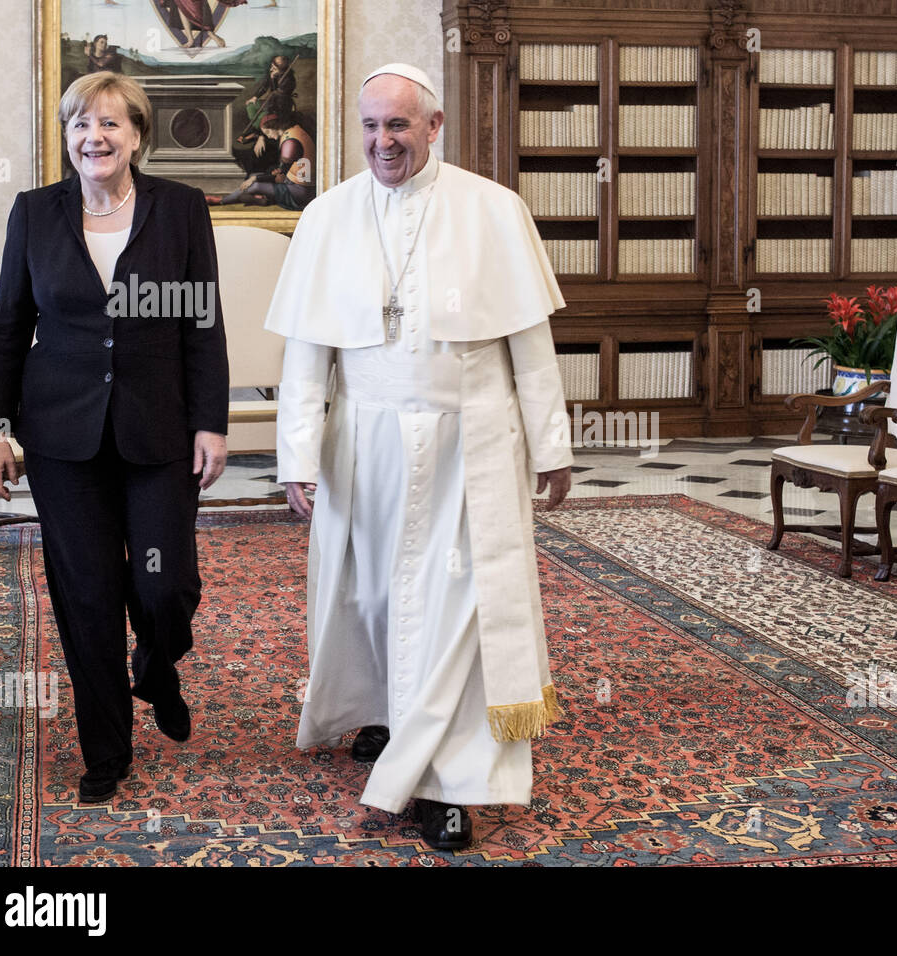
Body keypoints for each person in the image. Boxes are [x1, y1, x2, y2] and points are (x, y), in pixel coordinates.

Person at [265, 63, 573, 851]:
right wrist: (298, 454)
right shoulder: (327, 217)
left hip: (469, 442)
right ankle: (389, 714)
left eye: (398, 125)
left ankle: (447, 781)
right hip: (363, 441)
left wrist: (551, 445)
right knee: (368, 597)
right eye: (369, 126)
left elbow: (531, 350)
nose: (382, 141)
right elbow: (307, 355)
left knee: (456, 614)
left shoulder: (493, 210)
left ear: (434, 127)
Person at [0, 71, 230, 804]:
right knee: (85, 592)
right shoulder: (34, 213)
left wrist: (211, 420)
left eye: (112, 124)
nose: (96, 137)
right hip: (62, 435)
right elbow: (9, 326)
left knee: (163, 582)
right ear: (67, 137)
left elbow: (202, 324)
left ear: (138, 136)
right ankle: (105, 750)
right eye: (82, 124)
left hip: (159, 429)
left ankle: (156, 668)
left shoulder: (180, 210)